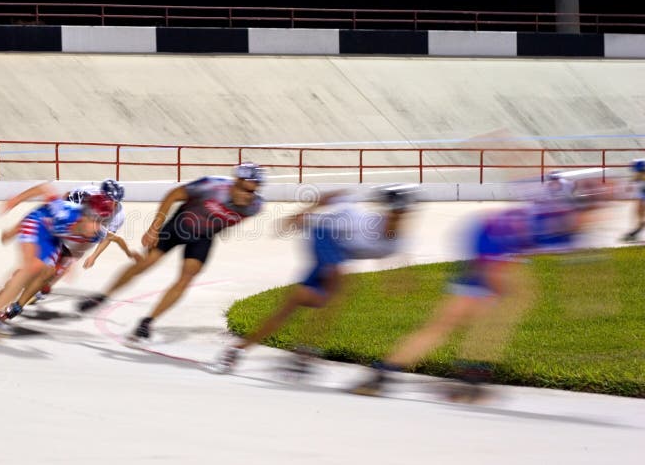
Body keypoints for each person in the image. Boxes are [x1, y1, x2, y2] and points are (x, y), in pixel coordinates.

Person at [348, 177, 605, 400]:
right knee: (495, 307)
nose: (596, 219)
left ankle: (392, 371)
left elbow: (578, 259)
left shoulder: (573, 229)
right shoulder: (555, 221)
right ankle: (466, 374)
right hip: (487, 241)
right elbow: (512, 229)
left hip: (495, 244)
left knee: (461, 318)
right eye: (592, 212)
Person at [207, 184, 419, 375]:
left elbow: (396, 262)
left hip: (334, 255)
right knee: (342, 283)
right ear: (386, 211)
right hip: (322, 237)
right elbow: (335, 197)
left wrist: (398, 280)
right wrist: (299, 215)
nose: (395, 222)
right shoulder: (357, 219)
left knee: (295, 303)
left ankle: (237, 351)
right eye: (393, 215)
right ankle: (306, 352)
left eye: (400, 217)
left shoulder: (397, 242)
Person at [77, 162, 266, 344]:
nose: (249, 196)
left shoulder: (255, 207)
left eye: (253, 191)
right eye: (246, 190)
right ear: (236, 182)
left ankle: (147, 322)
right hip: (179, 226)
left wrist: (216, 227)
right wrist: (154, 229)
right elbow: (173, 195)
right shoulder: (211, 186)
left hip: (203, 236)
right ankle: (103, 296)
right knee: (145, 263)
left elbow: (231, 219)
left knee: (186, 277)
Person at [0, 182, 106, 342]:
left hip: (53, 237)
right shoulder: (64, 212)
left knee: (48, 273)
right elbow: (43, 188)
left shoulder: (95, 235)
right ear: (84, 216)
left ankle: (8, 304)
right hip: (37, 221)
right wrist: (15, 201)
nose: (98, 227)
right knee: (33, 266)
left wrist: (69, 264)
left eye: (101, 222)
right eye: (95, 221)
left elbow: (78, 250)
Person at [2, 180, 140, 317]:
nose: (112, 205)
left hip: (84, 238)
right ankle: (29, 283)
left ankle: (41, 288)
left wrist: (94, 256)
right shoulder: (87, 193)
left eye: (116, 202)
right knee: (45, 263)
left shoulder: (118, 216)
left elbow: (110, 238)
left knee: (59, 268)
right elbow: (66, 197)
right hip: (70, 228)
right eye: (110, 200)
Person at [622, 159, 645, 242]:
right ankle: (635, 232)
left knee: (640, 215)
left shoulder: (640, 176)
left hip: (642, 199)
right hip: (641, 198)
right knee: (639, 215)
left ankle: (635, 232)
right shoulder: (638, 177)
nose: (635, 173)